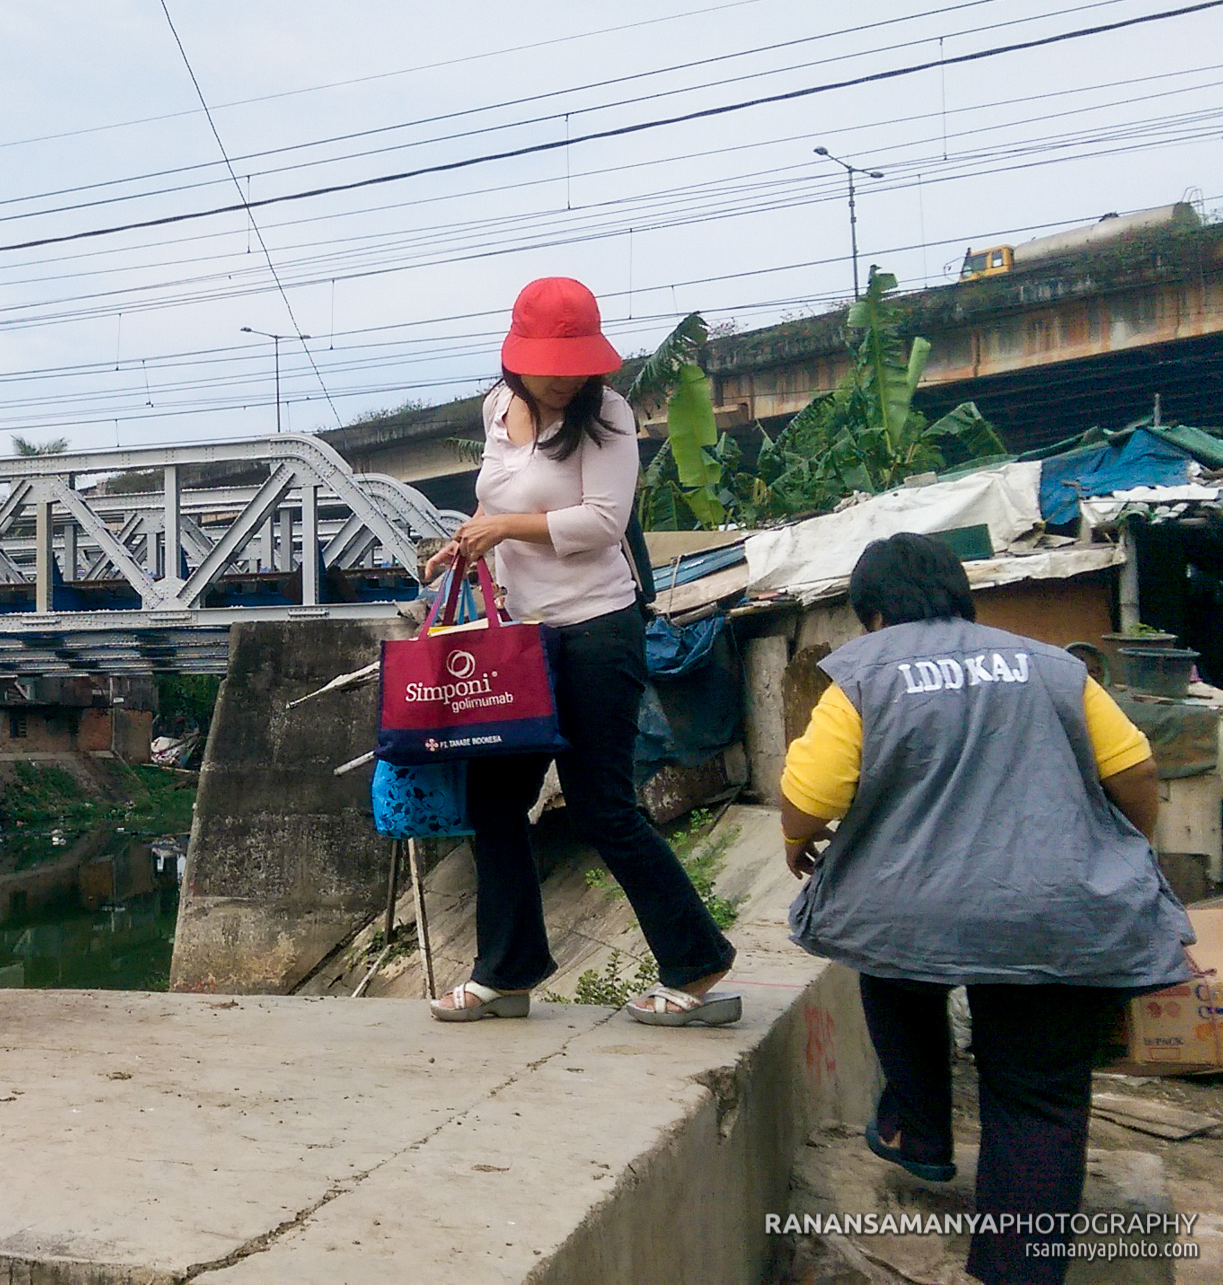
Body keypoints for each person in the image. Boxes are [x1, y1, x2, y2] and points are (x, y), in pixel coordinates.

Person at [782, 533, 1192, 1284]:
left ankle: (921, 1130)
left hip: (914, 909)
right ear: (961, 597)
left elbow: (811, 797)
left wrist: (794, 842)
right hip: (1054, 908)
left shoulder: (864, 674)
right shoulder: (1053, 665)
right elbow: (1135, 769)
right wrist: (1123, 846)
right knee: (1037, 1099)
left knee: (889, 960)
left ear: (869, 612)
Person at [424, 276, 739, 1025]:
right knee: (495, 801)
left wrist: (504, 531)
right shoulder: (498, 410)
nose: (568, 379)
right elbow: (498, 500)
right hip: (524, 637)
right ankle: (509, 969)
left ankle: (696, 963)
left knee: (602, 806)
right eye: (553, 366)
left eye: (577, 365)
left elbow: (603, 520)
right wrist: (467, 538)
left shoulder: (609, 413)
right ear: (518, 359)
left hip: (599, 628)